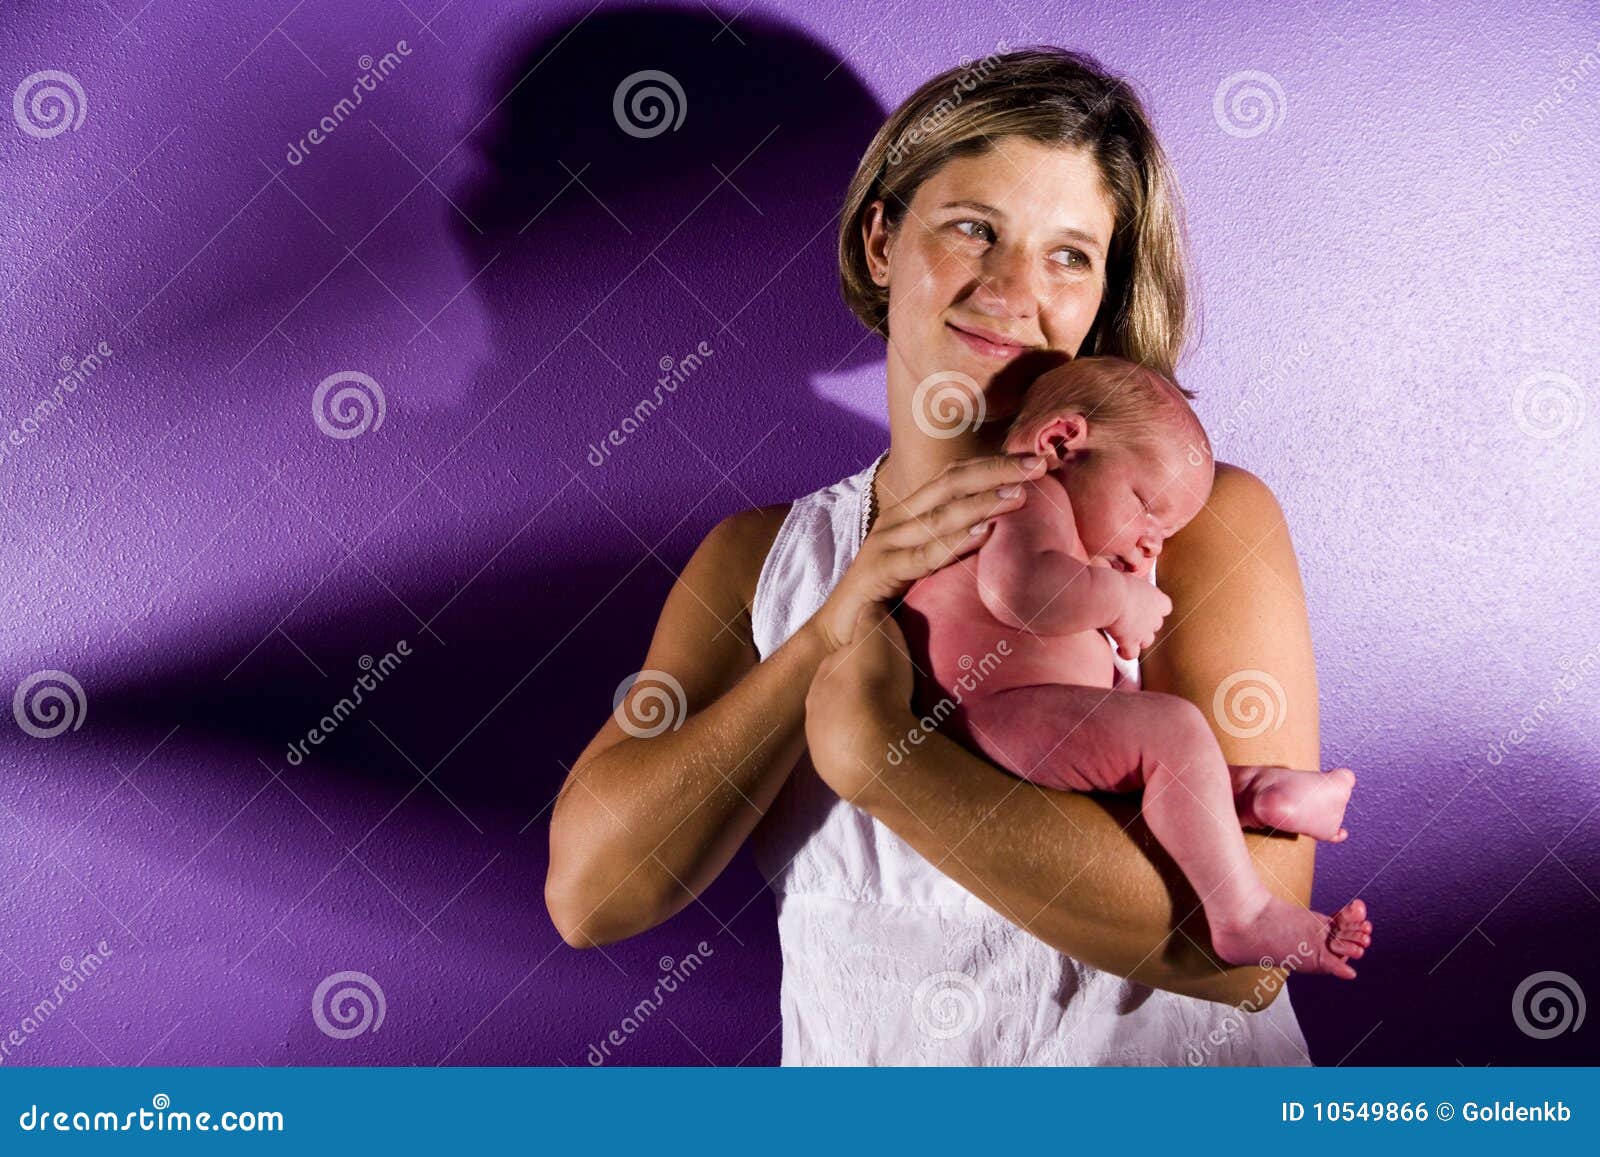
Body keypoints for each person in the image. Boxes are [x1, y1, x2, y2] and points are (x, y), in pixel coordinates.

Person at [547, 46, 1342, 1064]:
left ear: (1103, 292)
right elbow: (592, 894)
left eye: (1069, 255)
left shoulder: (1190, 523)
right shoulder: (763, 559)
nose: (1014, 289)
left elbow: (1246, 958)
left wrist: (879, 757)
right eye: (975, 228)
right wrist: (825, 636)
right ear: (881, 240)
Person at [896, 354, 1373, 981]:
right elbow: (1020, 592)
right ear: (1061, 443)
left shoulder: (1067, 533)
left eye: (1166, 533)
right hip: (997, 712)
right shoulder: (1028, 493)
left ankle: (1260, 794)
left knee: (1170, 768)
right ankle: (1241, 914)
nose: (1153, 542)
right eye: (1147, 505)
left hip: (1032, 714)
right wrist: (1121, 601)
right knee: (1171, 731)